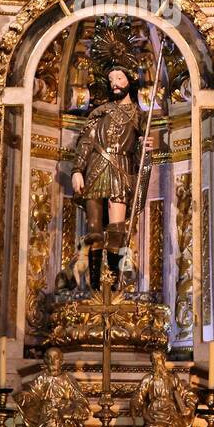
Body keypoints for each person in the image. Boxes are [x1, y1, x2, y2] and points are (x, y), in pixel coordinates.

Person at [71, 65, 141, 288]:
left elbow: (140, 150)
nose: (115, 84)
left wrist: (144, 147)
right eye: (111, 80)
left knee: (117, 229)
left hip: (120, 168)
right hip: (96, 167)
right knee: (94, 229)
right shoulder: (100, 112)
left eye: (119, 78)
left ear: (129, 81)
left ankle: (114, 285)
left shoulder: (138, 115)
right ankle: (94, 287)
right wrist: (77, 170)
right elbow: (86, 142)